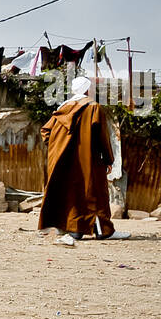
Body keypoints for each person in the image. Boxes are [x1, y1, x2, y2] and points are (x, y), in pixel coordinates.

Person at [39, 75, 127, 242]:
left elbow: (46, 131)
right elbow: (101, 136)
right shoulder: (93, 107)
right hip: (89, 161)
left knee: (72, 194)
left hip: (64, 161)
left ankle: (75, 230)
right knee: (96, 194)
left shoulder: (63, 107)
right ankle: (104, 231)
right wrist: (108, 159)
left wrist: (59, 148)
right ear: (87, 90)